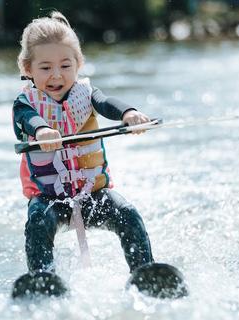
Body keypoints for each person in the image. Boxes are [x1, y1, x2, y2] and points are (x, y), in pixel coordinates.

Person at [11, 11, 184, 298]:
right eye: (45, 68)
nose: (57, 75)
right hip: (51, 199)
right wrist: (42, 131)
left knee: (128, 214)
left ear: (78, 64)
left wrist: (129, 114)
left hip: (92, 195)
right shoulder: (24, 103)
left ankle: (145, 274)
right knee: (38, 224)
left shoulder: (86, 93)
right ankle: (43, 280)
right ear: (28, 68)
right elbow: (28, 120)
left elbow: (106, 103)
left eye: (66, 65)